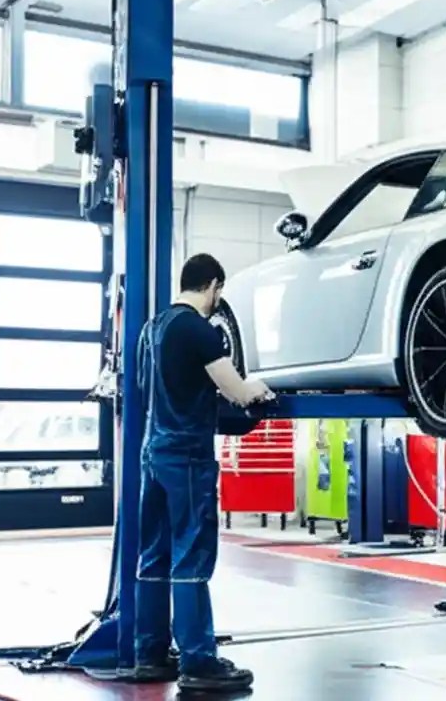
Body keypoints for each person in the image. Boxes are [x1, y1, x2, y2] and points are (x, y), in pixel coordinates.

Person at [128, 253, 273, 692]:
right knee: (192, 553)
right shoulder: (198, 330)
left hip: (152, 454)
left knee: (154, 552)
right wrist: (261, 390)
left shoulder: (150, 331)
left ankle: (149, 653)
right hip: (187, 455)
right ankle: (198, 661)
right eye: (219, 293)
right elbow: (237, 392)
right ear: (213, 286)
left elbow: (142, 387)